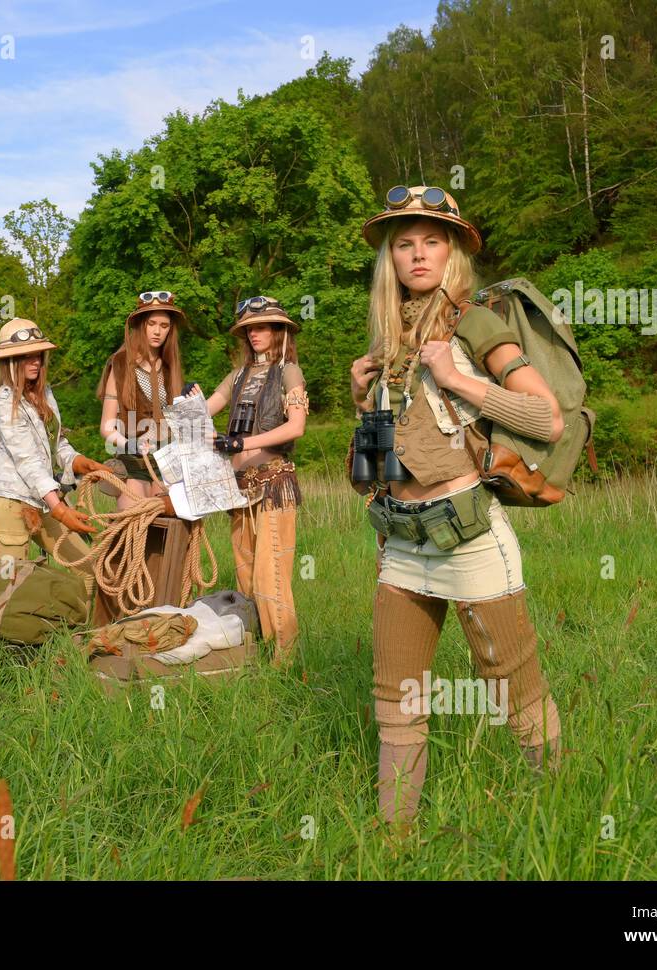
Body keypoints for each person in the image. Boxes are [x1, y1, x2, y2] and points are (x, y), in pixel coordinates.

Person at [351, 185, 564, 835]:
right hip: (403, 545)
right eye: (405, 244)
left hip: (471, 539)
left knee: (515, 692)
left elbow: (546, 418)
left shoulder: (477, 322)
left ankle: (558, 810)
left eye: (432, 241)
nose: (418, 255)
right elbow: (370, 472)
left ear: (454, 252)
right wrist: (363, 401)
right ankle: (394, 843)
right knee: (396, 702)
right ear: (391, 259)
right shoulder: (387, 346)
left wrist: (462, 380)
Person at [203, 297, 309, 666]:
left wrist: (241, 442)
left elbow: (296, 426)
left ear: (279, 331)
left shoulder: (289, 372)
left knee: (270, 579)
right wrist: (182, 404)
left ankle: (284, 664)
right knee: (246, 579)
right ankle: (251, 657)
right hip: (239, 489)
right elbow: (204, 410)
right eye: (249, 328)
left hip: (274, 485)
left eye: (262, 326)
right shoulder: (237, 376)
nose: (254, 333)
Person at [0, 319, 109, 599]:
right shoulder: (5, 404)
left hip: (42, 500)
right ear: (10, 361)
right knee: (12, 584)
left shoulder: (45, 393)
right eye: (26, 355)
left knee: (89, 570)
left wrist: (81, 462)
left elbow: (56, 444)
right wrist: (61, 510)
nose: (35, 361)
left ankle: (80, 634)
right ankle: (5, 639)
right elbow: (28, 462)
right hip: (10, 502)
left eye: (38, 354)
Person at [97, 291, 188, 511]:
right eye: (152, 324)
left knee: (169, 537)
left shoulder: (171, 368)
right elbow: (106, 427)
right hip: (133, 463)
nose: (157, 331)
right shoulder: (120, 365)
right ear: (141, 325)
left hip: (166, 465)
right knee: (134, 532)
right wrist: (130, 444)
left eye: (164, 326)